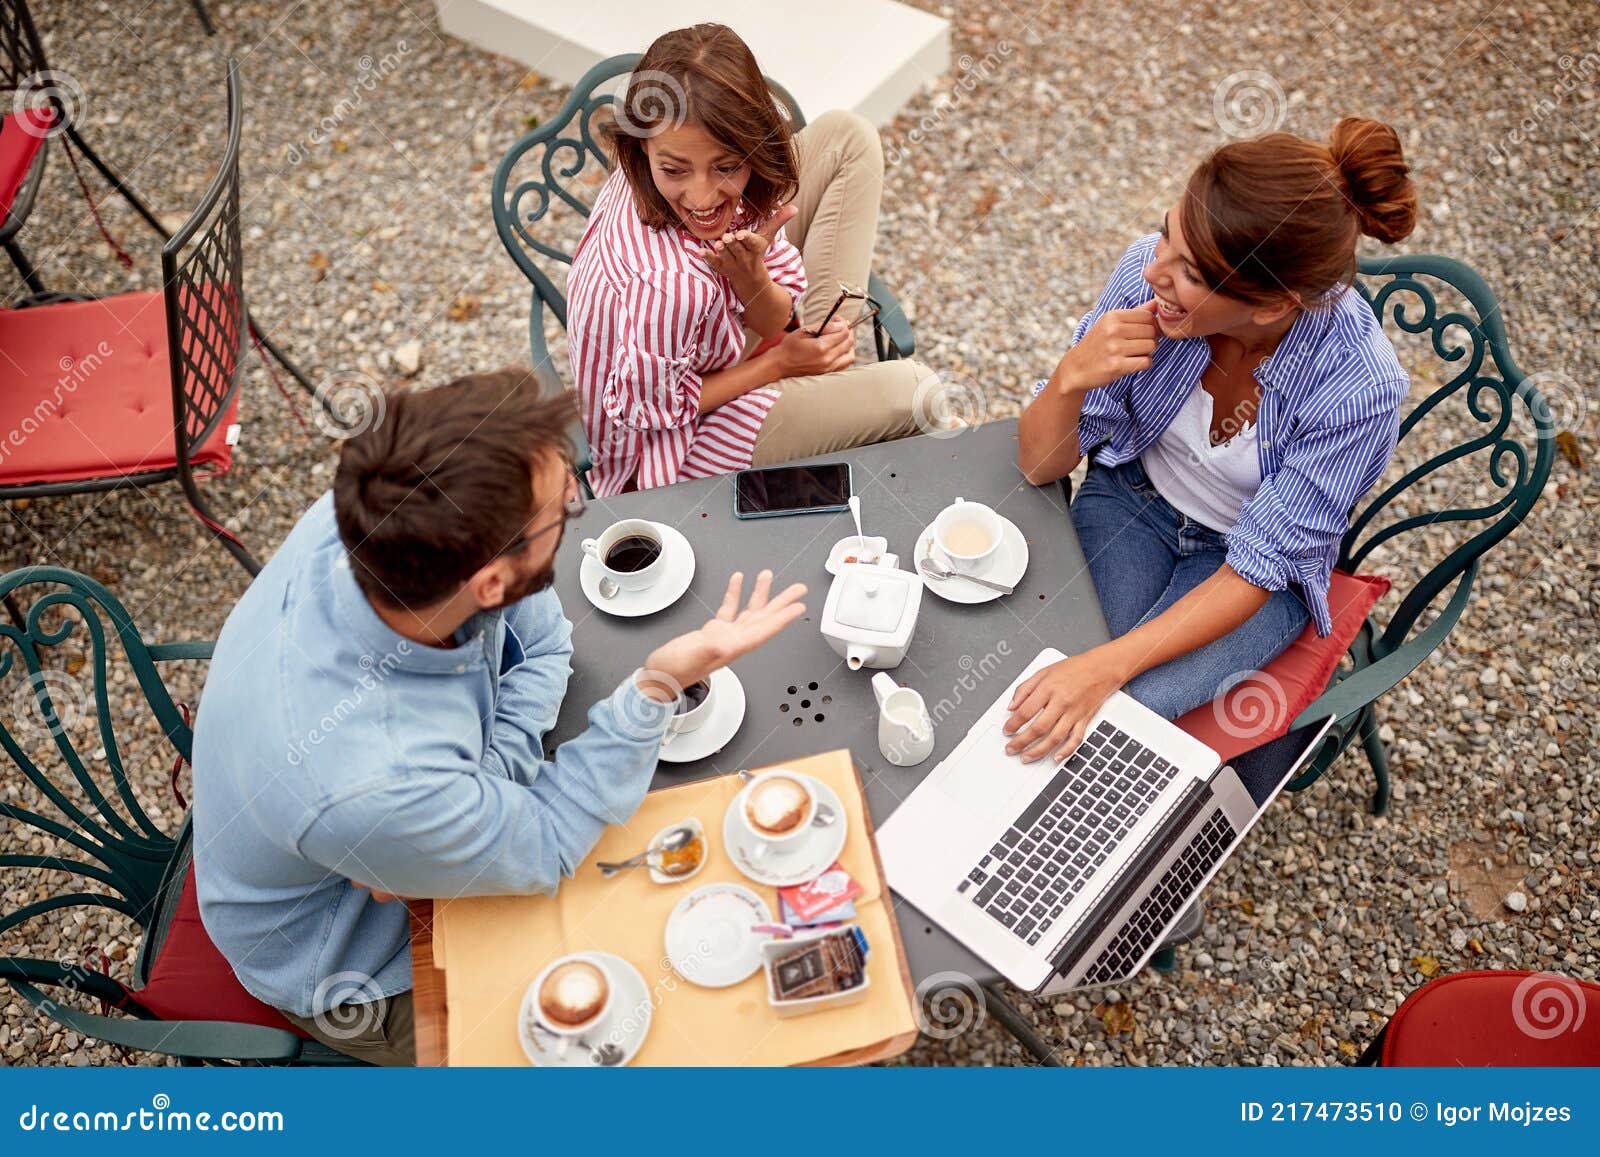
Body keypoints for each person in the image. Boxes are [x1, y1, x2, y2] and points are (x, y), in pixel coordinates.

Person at [190, 368, 806, 1065]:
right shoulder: (375, 784)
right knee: (642, 1026)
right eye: (562, 512)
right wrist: (659, 683)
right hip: (352, 954)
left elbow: (543, 642)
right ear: (488, 583)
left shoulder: (380, 516)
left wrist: (482, 789)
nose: (578, 495)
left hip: (368, 832)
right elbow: (545, 843)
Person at [1010, 118, 1419, 762]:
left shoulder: (1359, 389)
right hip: (1131, 501)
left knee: (1123, 715)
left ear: (1271, 305)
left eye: (1192, 273)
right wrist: (1068, 380)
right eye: (1167, 234)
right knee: (1042, 674)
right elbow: (1038, 467)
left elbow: (1256, 567)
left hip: (1249, 570)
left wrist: (1106, 669)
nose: (1153, 273)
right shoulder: (1146, 282)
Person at [566, 22, 938, 496]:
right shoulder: (669, 287)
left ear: (753, 145)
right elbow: (648, 411)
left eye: (726, 166)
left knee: (848, 136)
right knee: (918, 391)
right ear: (641, 147)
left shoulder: (666, 149)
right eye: (676, 169)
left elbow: (775, 317)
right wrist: (779, 364)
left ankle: (826, 354)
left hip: (711, 337)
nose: (702, 197)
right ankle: (828, 369)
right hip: (673, 446)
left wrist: (752, 277)